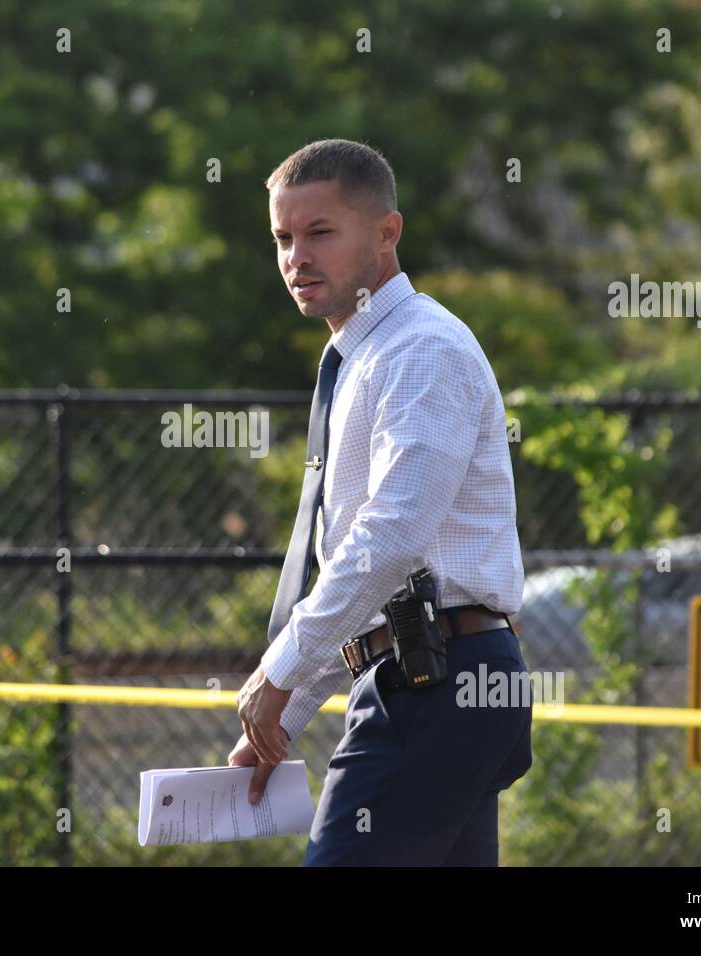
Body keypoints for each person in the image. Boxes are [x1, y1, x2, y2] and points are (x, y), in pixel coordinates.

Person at [228, 138, 532, 865]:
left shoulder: (418, 350)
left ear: (387, 232)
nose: (296, 257)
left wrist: (277, 675)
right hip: (442, 679)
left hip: (438, 684)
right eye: (283, 237)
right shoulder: (369, 355)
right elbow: (373, 582)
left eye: (320, 233)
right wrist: (283, 714)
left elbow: (390, 541)